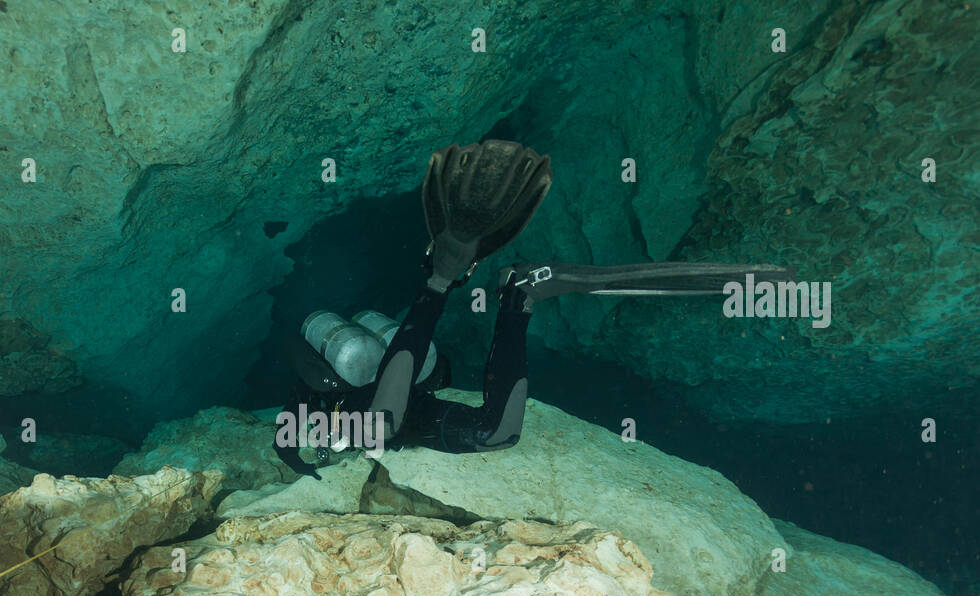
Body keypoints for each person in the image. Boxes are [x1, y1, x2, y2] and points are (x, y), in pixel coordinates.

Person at [274, 139, 794, 478]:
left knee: (380, 421)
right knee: (496, 434)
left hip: (385, 388)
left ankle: (441, 277)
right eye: (327, 455)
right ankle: (520, 294)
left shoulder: (316, 398)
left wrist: (309, 443)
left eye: (322, 447)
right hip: (406, 400)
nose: (331, 450)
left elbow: (320, 425)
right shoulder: (347, 432)